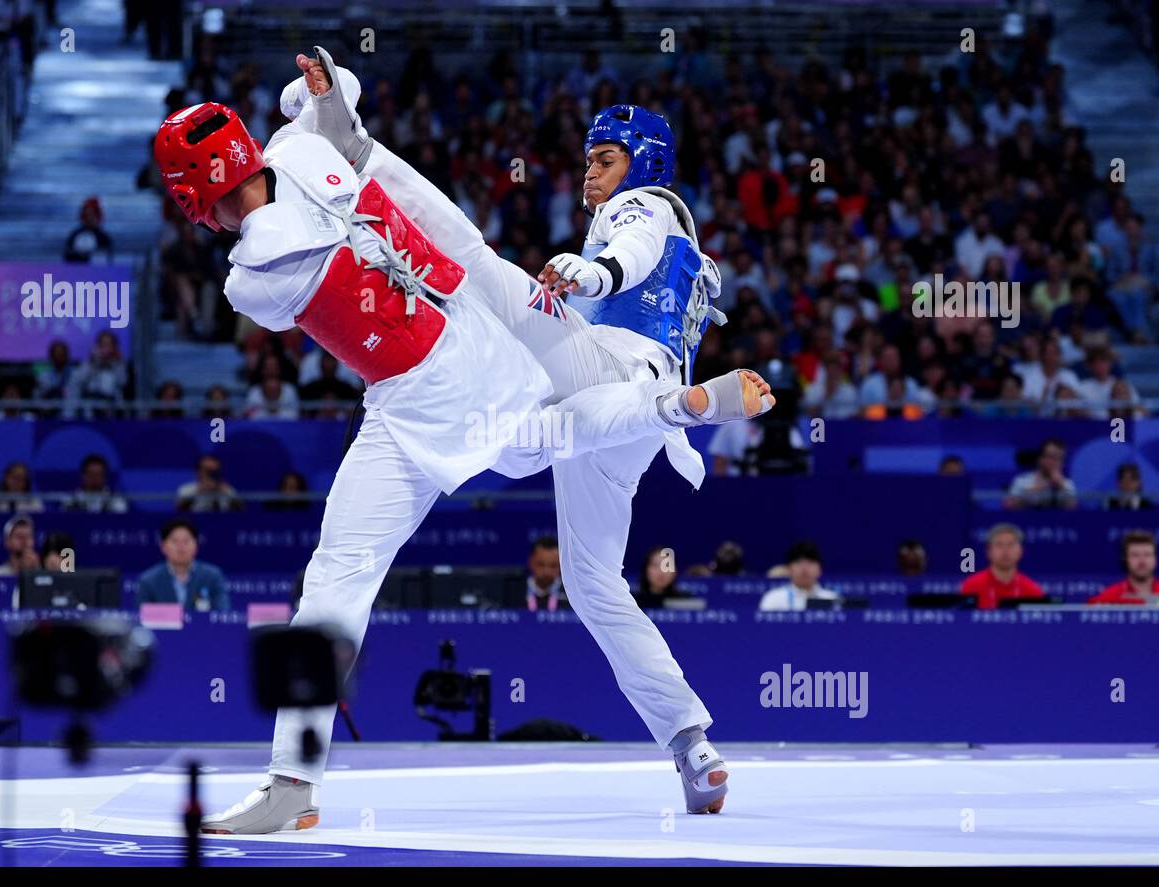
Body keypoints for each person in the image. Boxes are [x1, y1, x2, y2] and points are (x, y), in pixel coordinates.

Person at [157, 76, 770, 834]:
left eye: (605, 159)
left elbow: (637, 247)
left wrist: (598, 271)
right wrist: (326, 116)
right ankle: (691, 745)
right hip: (610, 416)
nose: (591, 175)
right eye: (589, 162)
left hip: (578, 370)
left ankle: (293, 778)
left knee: (480, 273)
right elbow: (323, 129)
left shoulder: (644, 208)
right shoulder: (300, 154)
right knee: (591, 579)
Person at [136, 518, 230, 612]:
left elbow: (222, 612)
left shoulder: (212, 576)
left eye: (186, 541)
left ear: (196, 546)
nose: (181, 546)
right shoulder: (148, 580)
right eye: (175, 541)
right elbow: (141, 618)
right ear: (163, 546)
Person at [959, 523, 1045, 609]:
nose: (1005, 550)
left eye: (1010, 545)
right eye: (999, 545)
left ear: (1021, 551)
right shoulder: (971, 587)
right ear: (988, 551)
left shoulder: (1032, 590)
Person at [1088, 531, 1159, 604]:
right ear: (1125, 559)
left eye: (1147, 555)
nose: (1142, 561)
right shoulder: (1110, 596)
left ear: (1155, 559)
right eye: (1135, 555)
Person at [758, 541, 840, 610]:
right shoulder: (774, 598)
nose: (804, 568)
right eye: (798, 562)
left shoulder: (833, 599)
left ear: (820, 569)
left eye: (810, 562)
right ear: (788, 568)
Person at [1005, 438, 1078, 510]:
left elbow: (1073, 510)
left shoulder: (1067, 484)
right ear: (1040, 459)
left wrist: (1061, 487)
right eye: (1051, 457)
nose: (1056, 462)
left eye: (1060, 458)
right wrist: (1036, 490)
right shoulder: (1022, 481)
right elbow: (1008, 505)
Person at [175, 454, 243, 512]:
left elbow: (240, 509)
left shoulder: (226, 489)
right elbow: (179, 509)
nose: (211, 474)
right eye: (207, 470)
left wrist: (225, 491)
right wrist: (199, 490)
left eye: (214, 471)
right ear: (198, 471)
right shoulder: (187, 489)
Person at [63, 454, 129, 513]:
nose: (94, 478)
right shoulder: (71, 502)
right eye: (91, 474)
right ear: (83, 476)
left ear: (104, 477)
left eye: (98, 474)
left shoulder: (116, 501)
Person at [523, 537, 564, 611]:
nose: (547, 572)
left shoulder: (570, 594)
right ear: (531, 562)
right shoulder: (512, 591)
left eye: (553, 566)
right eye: (541, 564)